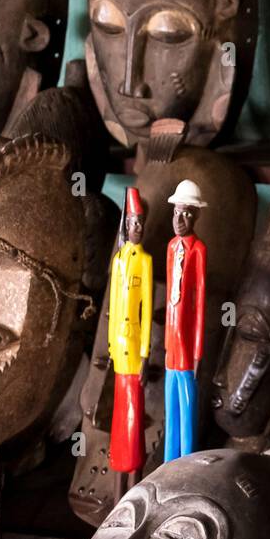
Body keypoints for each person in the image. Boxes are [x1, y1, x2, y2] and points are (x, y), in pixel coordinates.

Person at [109, 187, 152, 472]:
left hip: (136, 347)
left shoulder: (144, 261)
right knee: (119, 408)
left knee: (134, 410)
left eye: (140, 223)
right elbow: (113, 310)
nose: (137, 227)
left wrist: (146, 354)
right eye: (133, 222)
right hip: (119, 349)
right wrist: (112, 347)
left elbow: (146, 311)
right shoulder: (119, 260)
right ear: (125, 225)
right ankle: (119, 459)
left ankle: (134, 461)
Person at [164, 180, 207, 462]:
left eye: (187, 214)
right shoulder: (171, 246)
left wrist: (197, 351)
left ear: (196, 216)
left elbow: (200, 300)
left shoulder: (198, 249)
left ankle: (187, 461)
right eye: (177, 212)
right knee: (171, 409)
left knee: (187, 407)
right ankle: (170, 461)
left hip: (188, 343)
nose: (180, 219)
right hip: (171, 342)